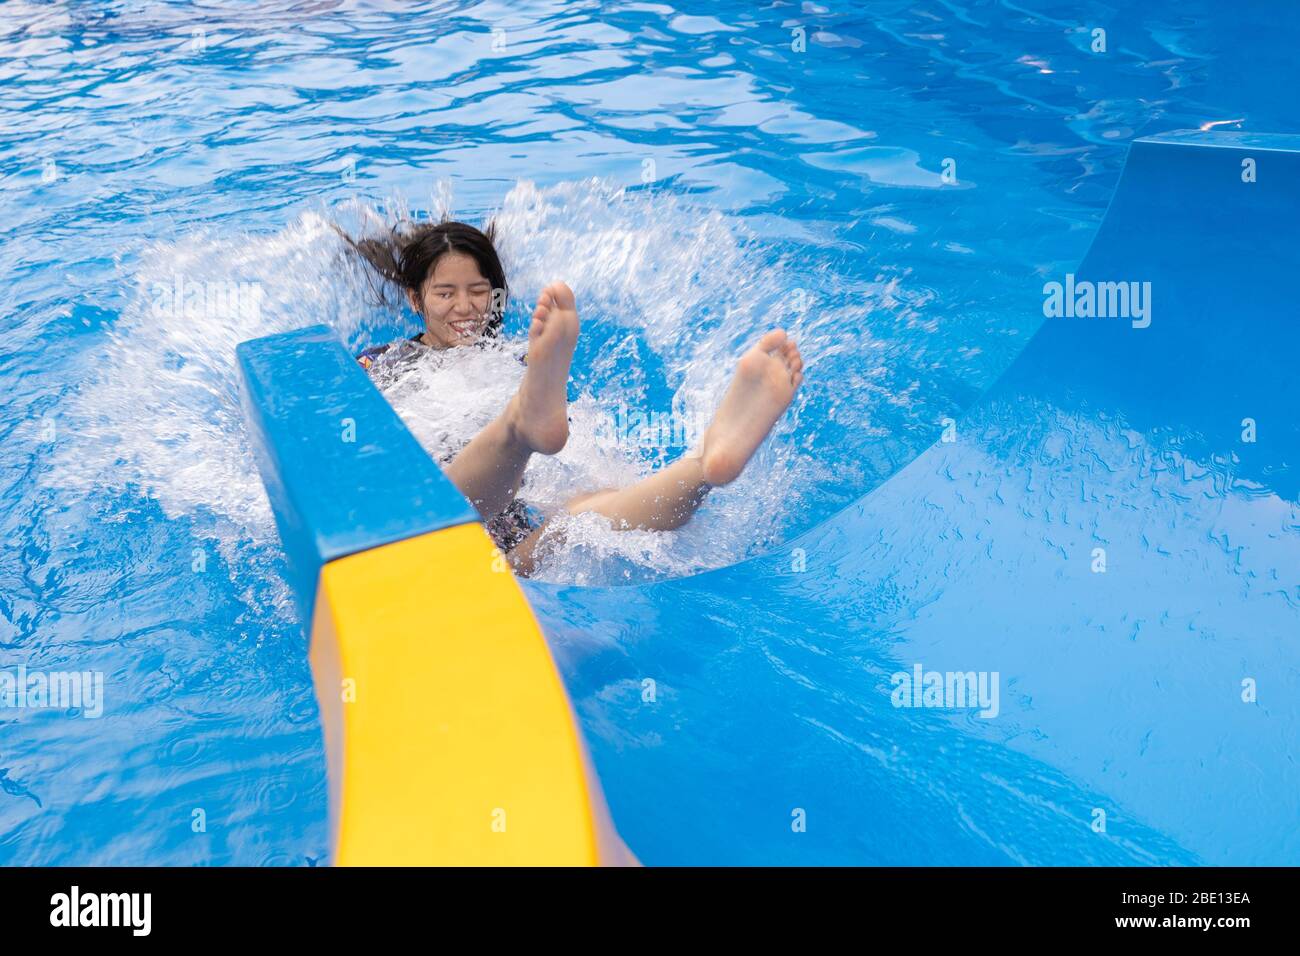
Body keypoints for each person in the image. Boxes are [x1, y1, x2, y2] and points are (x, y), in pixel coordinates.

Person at [343, 219, 803, 575]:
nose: (464, 307)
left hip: (484, 535)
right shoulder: (387, 363)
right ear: (415, 299)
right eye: (445, 293)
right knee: (565, 522)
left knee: (574, 520)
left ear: (496, 296)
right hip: (448, 519)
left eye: (478, 292)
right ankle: (698, 465)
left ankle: (708, 464)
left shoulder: (520, 362)